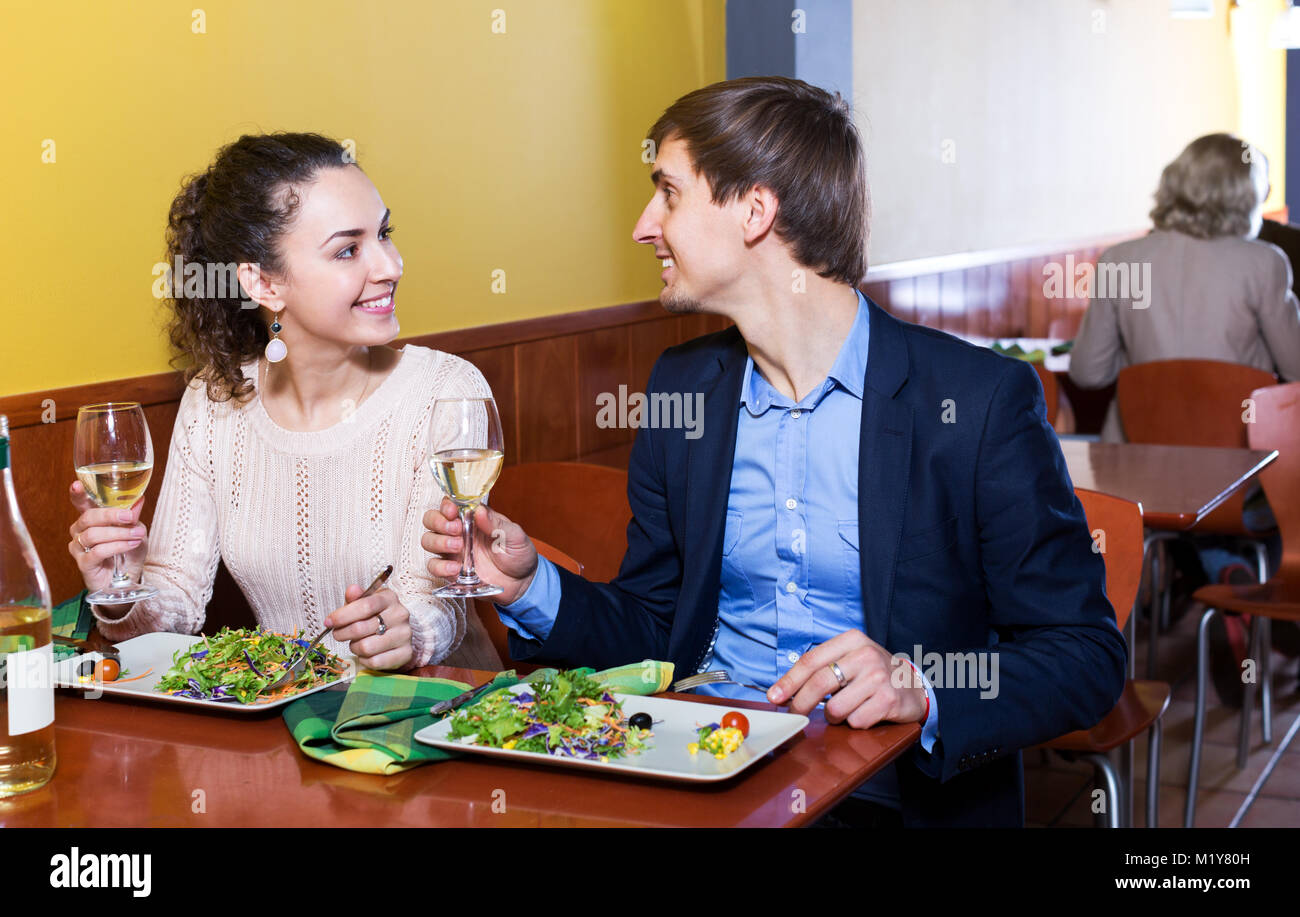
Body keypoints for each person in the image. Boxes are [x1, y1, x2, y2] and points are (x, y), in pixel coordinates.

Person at [422, 77, 1127, 827]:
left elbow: (1084, 656)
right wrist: (529, 585)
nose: (643, 225)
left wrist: (922, 686)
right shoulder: (683, 388)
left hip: (891, 797)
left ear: (755, 211)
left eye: (668, 191)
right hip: (699, 774)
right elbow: (657, 627)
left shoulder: (977, 401)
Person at [67, 132, 501, 671]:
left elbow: (437, 600)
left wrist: (409, 632)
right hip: (284, 719)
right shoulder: (213, 400)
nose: (391, 265)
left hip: (438, 711)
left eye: (384, 234)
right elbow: (174, 608)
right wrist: (124, 582)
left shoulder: (445, 390)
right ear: (263, 283)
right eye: (348, 249)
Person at [1069, 133, 1300, 443]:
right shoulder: (1264, 263)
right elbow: (1296, 368)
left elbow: (1088, 373)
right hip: (1237, 459)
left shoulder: (1118, 260)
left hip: (1134, 454)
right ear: (1249, 195)